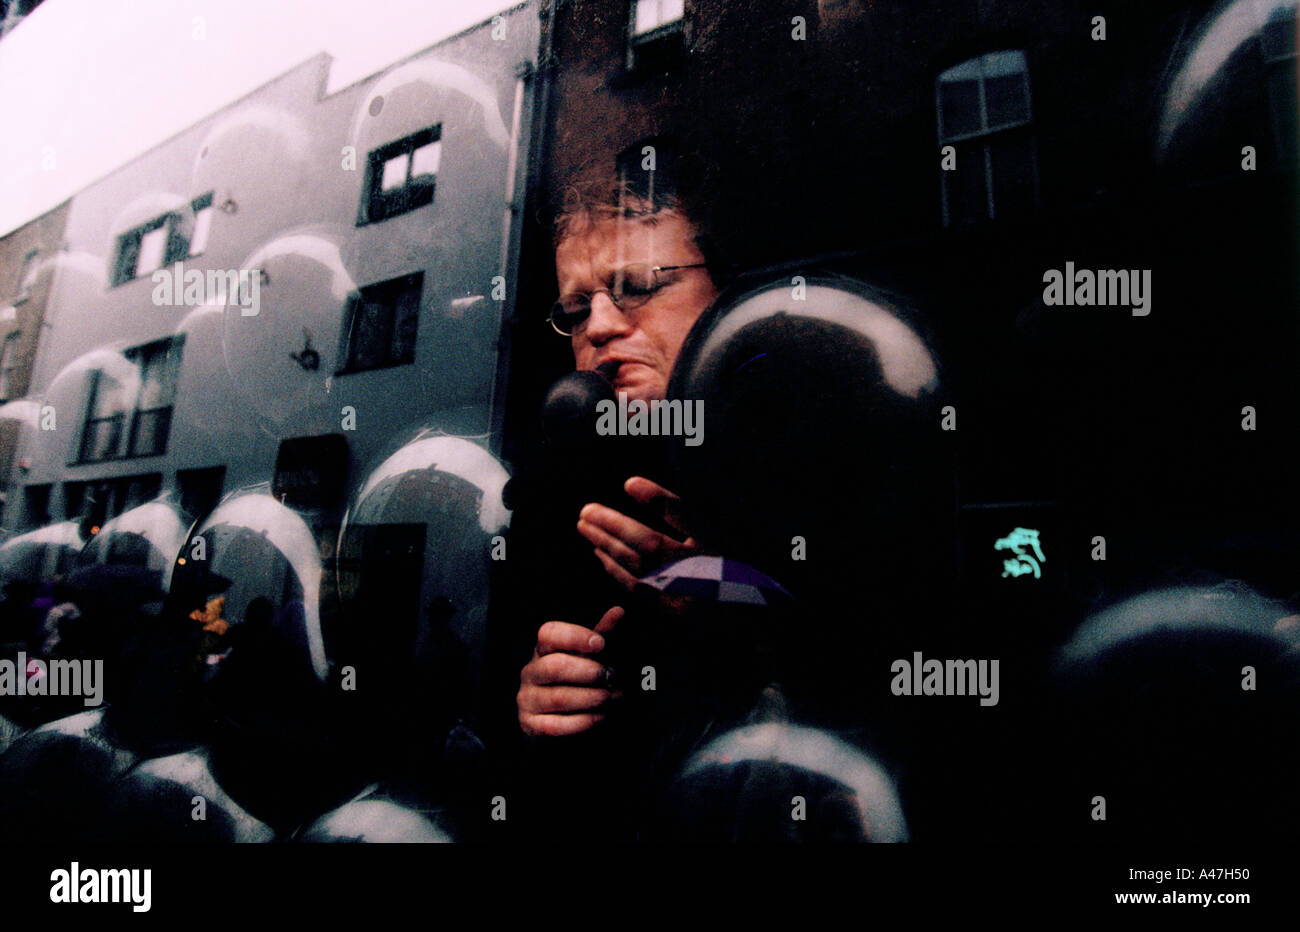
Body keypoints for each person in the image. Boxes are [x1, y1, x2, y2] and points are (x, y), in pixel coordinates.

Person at [516, 183, 719, 740]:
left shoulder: (805, 456)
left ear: (723, 289)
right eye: (576, 310)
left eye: (636, 286)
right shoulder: (555, 498)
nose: (599, 326)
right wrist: (545, 696)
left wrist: (735, 599)